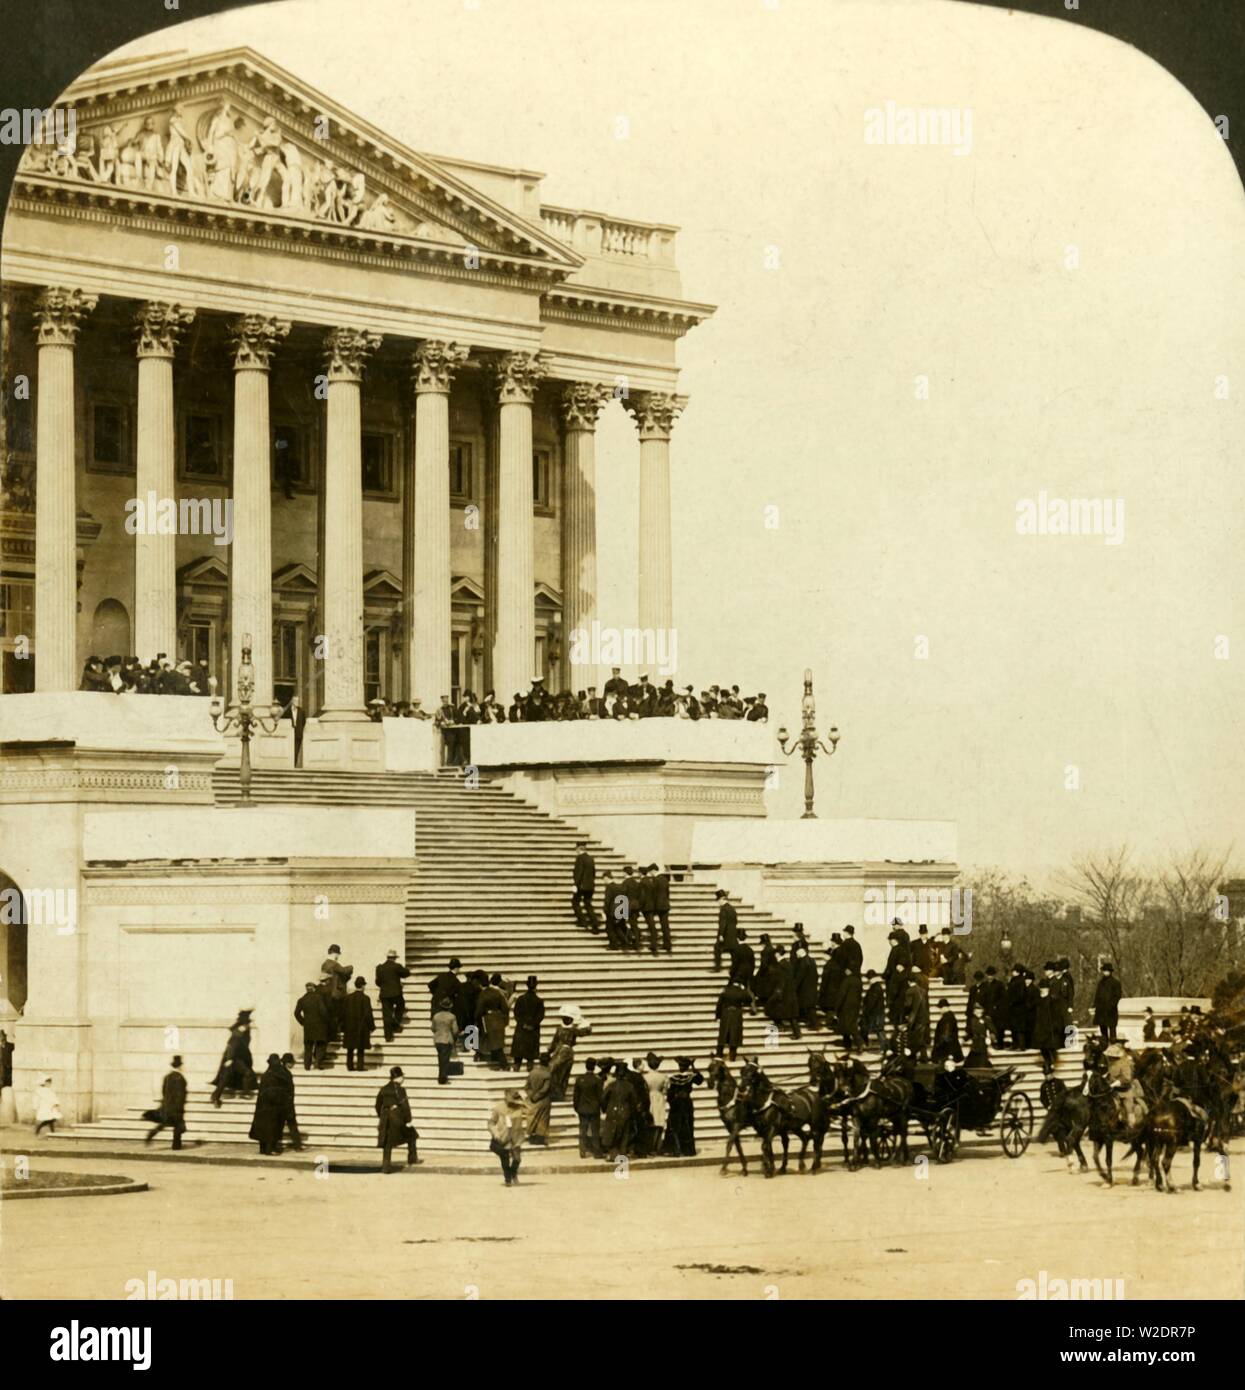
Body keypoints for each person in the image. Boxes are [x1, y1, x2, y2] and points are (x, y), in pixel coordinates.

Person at [376, 1066, 419, 1173]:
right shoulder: (400, 1090)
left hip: (385, 1120)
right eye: (402, 1077)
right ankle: (412, 1159)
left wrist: (382, 1116)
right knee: (412, 1134)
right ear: (398, 1078)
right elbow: (405, 1106)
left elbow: (377, 1105)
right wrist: (408, 1120)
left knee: (387, 1143)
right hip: (397, 1120)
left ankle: (385, 1167)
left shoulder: (383, 1089)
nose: (403, 1079)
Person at [210, 1009, 256, 1106]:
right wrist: (230, 1058)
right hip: (235, 1058)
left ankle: (215, 1096)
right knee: (245, 1073)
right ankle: (244, 1093)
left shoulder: (243, 1029)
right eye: (248, 1022)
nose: (249, 1024)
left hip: (237, 1057)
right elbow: (233, 1044)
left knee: (226, 1076)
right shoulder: (241, 1029)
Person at [144, 1055, 188, 1149]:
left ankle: (152, 1133)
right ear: (180, 1066)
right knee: (178, 1125)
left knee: (166, 1123)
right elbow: (181, 1095)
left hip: (167, 1106)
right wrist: (181, 1106)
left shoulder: (167, 1077)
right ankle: (176, 1146)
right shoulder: (180, 1078)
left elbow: (164, 1092)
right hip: (176, 1107)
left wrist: (165, 1104)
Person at [661, 1056, 702, 1156]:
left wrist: (671, 1101)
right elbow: (700, 1079)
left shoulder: (674, 1078)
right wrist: (694, 1066)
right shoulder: (690, 1077)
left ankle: (675, 1149)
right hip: (686, 1103)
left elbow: (670, 1094)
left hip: (676, 1104)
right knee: (686, 1126)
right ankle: (686, 1150)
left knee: (675, 1126)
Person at [249, 1055, 289, 1155]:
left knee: (263, 1129)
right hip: (273, 1107)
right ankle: (270, 1150)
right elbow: (273, 1092)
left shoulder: (266, 1074)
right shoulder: (276, 1075)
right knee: (272, 1129)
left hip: (262, 1107)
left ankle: (263, 1149)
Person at [488, 1088, 528, 1185]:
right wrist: (495, 1133)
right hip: (503, 1137)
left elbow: (531, 1111)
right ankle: (508, 1179)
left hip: (516, 1137)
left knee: (517, 1159)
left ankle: (513, 1173)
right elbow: (491, 1123)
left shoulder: (520, 1107)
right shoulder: (499, 1108)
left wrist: (522, 1101)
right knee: (505, 1159)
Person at [294, 979, 331, 1070]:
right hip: (319, 1025)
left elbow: (296, 1013)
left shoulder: (302, 1000)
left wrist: (303, 1022)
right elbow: (323, 1012)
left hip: (308, 1026)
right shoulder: (318, 998)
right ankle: (317, 1064)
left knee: (308, 1046)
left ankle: (307, 1066)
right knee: (320, 1045)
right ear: (314, 988)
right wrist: (327, 1021)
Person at [571, 1057, 604, 1158]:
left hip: (582, 1108)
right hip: (594, 1109)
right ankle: (596, 1151)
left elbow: (575, 1096)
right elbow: (600, 1096)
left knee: (583, 1130)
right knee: (595, 1131)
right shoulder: (597, 1080)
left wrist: (576, 1107)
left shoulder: (580, 1079)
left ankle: (582, 1151)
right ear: (594, 1067)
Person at [375, 949, 410, 1043]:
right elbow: (406, 973)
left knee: (386, 1015)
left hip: (385, 994)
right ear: (394, 958)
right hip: (396, 993)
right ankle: (395, 1022)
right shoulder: (397, 966)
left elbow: (378, 982)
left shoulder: (380, 967)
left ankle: (388, 1036)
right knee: (401, 1006)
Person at [475, 973, 510, 1068]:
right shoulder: (497, 992)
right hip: (498, 1018)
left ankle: (504, 1064)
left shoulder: (482, 995)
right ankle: (495, 1059)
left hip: (489, 1019)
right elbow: (505, 1008)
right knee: (497, 1042)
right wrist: (503, 1018)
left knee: (495, 1043)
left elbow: (479, 1010)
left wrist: (476, 1018)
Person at [511, 976, 545, 1072]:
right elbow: (541, 1015)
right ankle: (529, 1066)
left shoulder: (521, 999)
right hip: (533, 1029)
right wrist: (533, 1025)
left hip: (522, 1028)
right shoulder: (539, 1001)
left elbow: (516, 1013)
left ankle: (517, 1065)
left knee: (519, 1047)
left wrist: (523, 1024)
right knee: (531, 1050)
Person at [342, 976, 375, 1071]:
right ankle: (360, 1067)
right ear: (363, 986)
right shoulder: (365, 998)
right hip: (361, 1027)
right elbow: (368, 1014)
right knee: (360, 1048)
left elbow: (343, 1013)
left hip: (349, 1027)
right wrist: (371, 1026)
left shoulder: (347, 998)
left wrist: (343, 1026)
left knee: (350, 1048)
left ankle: (349, 1066)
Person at [715, 979, 749, 1062]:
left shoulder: (726, 990)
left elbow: (719, 1003)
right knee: (734, 1035)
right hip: (736, 1014)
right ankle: (732, 1056)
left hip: (726, 1013)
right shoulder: (741, 991)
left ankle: (719, 1054)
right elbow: (748, 999)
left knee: (723, 1034)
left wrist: (718, 1015)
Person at [1032, 980, 1061, 1073]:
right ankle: (1047, 1061)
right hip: (1040, 1026)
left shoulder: (1052, 1000)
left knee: (1050, 1046)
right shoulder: (1037, 1000)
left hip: (1050, 1026)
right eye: (1041, 988)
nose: (1043, 990)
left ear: (1048, 989)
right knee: (1042, 1047)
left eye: (1044, 988)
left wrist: (1055, 1025)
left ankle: (1053, 1061)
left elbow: (1056, 1014)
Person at [525, 1051, 554, 1145]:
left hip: (532, 1100)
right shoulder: (547, 1074)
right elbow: (545, 1089)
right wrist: (537, 1096)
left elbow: (527, 1086)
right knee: (543, 1119)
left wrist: (531, 1096)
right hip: (543, 1100)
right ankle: (539, 1138)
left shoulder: (532, 1072)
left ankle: (531, 1136)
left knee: (532, 1118)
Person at [1093, 961, 1123, 1042]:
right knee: (1103, 1032)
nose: (1105, 972)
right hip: (1101, 1011)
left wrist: (1111, 1005)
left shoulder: (1115, 983)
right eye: (1104, 971)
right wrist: (1095, 1005)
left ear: (1110, 972)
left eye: (1107, 971)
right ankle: (1104, 1045)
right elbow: (1097, 995)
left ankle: (1113, 1047)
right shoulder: (1101, 983)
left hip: (1111, 1011)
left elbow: (1117, 996)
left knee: (1112, 1030)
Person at [431, 996, 458, 1084]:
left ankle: (441, 1076)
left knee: (441, 1058)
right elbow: (455, 1030)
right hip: (447, 1039)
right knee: (445, 1060)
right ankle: (442, 1078)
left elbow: (433, 1028)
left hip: (437, 1039)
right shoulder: (452, 1017)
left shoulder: (436, 1016)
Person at [793, 944, 819, 1030]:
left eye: (797, 953)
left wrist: (794, 987)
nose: (796, 955)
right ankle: (808, 1020)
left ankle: (814, 1025)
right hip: (812, 987)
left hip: (805, 989)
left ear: (800, 952)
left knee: (809, 1007)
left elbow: (799, 977)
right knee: (809, 1006)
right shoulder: (811, 960)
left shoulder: (803, 962)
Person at [572, 841, 597, 932]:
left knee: (575, 903)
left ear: (579, 849)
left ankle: (582, 921)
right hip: (590, 886)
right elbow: (593, 873)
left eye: (576, 849)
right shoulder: (590, 858)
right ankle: (595, 924)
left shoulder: (579, 859)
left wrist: (575, 884)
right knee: (588, 904)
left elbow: (579, 873)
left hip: (581, 886)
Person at [713, 889, 738, 971]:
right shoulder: (732, 908)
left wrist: (721, 935)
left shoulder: (723, 909)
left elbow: (723, 923)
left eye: (718, 900)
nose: (718, 902)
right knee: (733, 952)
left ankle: (717, 967)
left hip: (726, 935)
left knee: (717, 948)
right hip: (733, 934)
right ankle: (735, 967)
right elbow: (736, 921)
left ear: (722, 899)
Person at [861, 970, 887, 1048]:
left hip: (875, 1013)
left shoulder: (875, 987)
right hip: (877, 1012)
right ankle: (884, 1046)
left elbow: (871, 1001)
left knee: (878, 1030)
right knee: (876, 1029)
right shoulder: (876, 986)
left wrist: (866, 1011)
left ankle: (885, 1047)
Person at [964, 1004, 992, 1068]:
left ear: (982, 1010)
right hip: (975, 1043)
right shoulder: (971, 1020)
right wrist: (964, 1039)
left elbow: (992, 1030)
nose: (977, 1011)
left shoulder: (986, 1019)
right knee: (971, 1060)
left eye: (979, 1009)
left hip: (982, 1043)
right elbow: (969, 1032)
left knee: (982, 1060)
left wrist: (990, 1038)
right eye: (976, 1010)